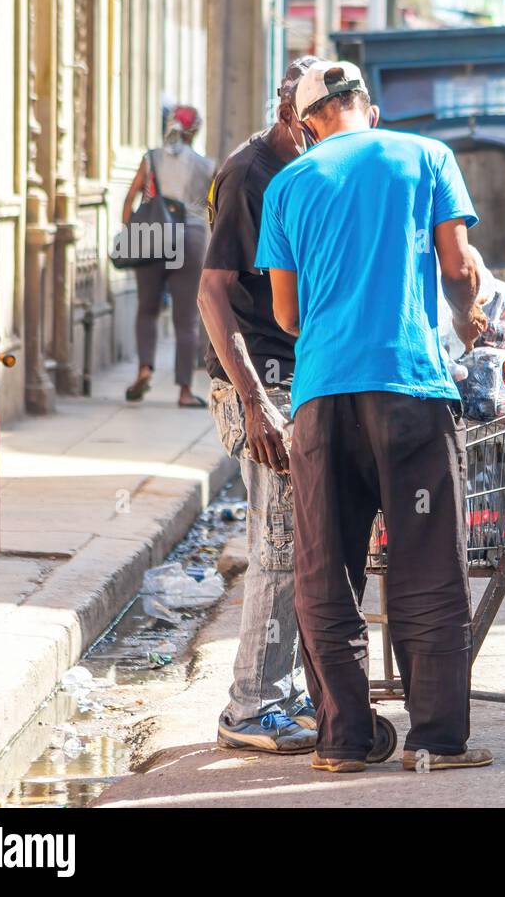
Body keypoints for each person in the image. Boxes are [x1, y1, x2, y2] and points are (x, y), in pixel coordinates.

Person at [256, 61, 492, 774]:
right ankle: (439, 740)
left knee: (327, 572)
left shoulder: (287, 183)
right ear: (370, 109)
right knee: (426, 564)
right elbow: (457, 267)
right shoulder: (427, 157)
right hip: (411, 390)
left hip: (322, 400)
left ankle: (342, 742)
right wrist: (469, 302)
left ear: (306, 125)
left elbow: (287, 314)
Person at [197, 56, 322, 754]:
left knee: (308, 540)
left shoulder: (307, 167)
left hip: (299, 375)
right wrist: (255, 403)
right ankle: (249, 707)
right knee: (278, 542)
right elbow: (214, 291)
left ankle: (289, 691)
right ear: (289, 119)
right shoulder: (251, 173)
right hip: (256, 382)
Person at [121, 105, 216, 406]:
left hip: (152, 234)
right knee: (186, 318)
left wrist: (130, 232)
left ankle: (145, 369)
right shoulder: (208, 165)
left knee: (147, 308)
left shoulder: (151, 158)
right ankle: (185, 391)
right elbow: (214, 210)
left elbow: (131, 197)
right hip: (191, 238)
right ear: (196, 131)